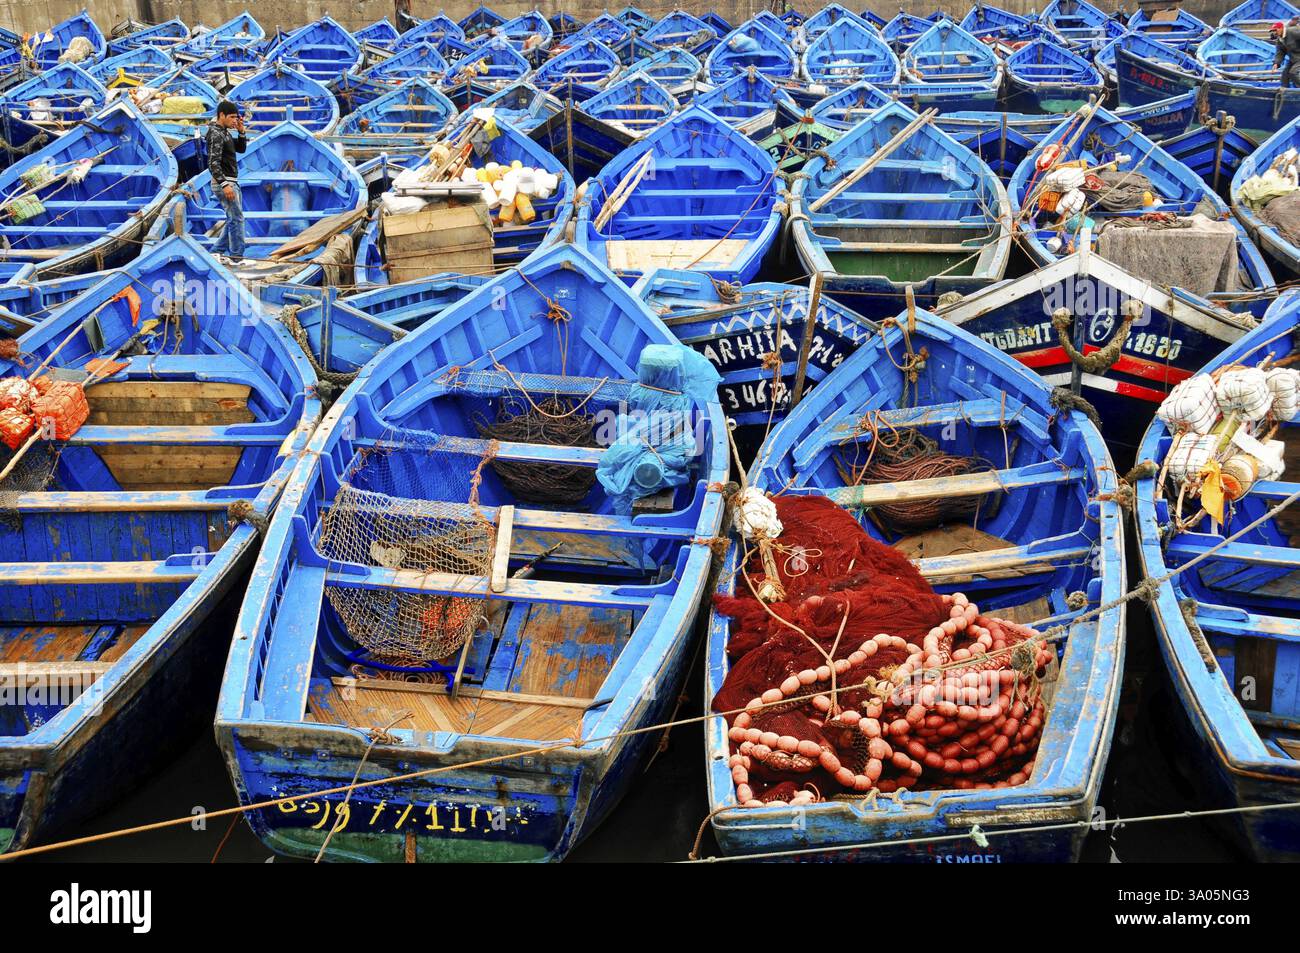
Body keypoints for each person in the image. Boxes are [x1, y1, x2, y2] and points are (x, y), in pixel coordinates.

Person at [207, 100, 247, 261]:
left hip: (230, 181)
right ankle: (236, 257)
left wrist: (242, 132)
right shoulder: (216, 133)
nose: (234, 120)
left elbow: (241, 149)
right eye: (231, 117)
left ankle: (217, 252)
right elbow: (212, 163)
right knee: (237, 219)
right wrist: (225, 185)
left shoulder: (224, 132)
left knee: (233, 218)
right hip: (225, 183)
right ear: (221, 115)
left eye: (236, 118)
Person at [1272, 20, 1300, 88]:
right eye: (1273, 31)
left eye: (1276, 30)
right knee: (1285, 75)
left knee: (1293, 72)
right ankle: (1285, 91)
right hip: (1293, 58)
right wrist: (1276, 63)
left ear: (1281, 28)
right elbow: (1280, 52)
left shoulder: (1292, 32)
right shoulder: (1279, 40)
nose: (1275, 32)